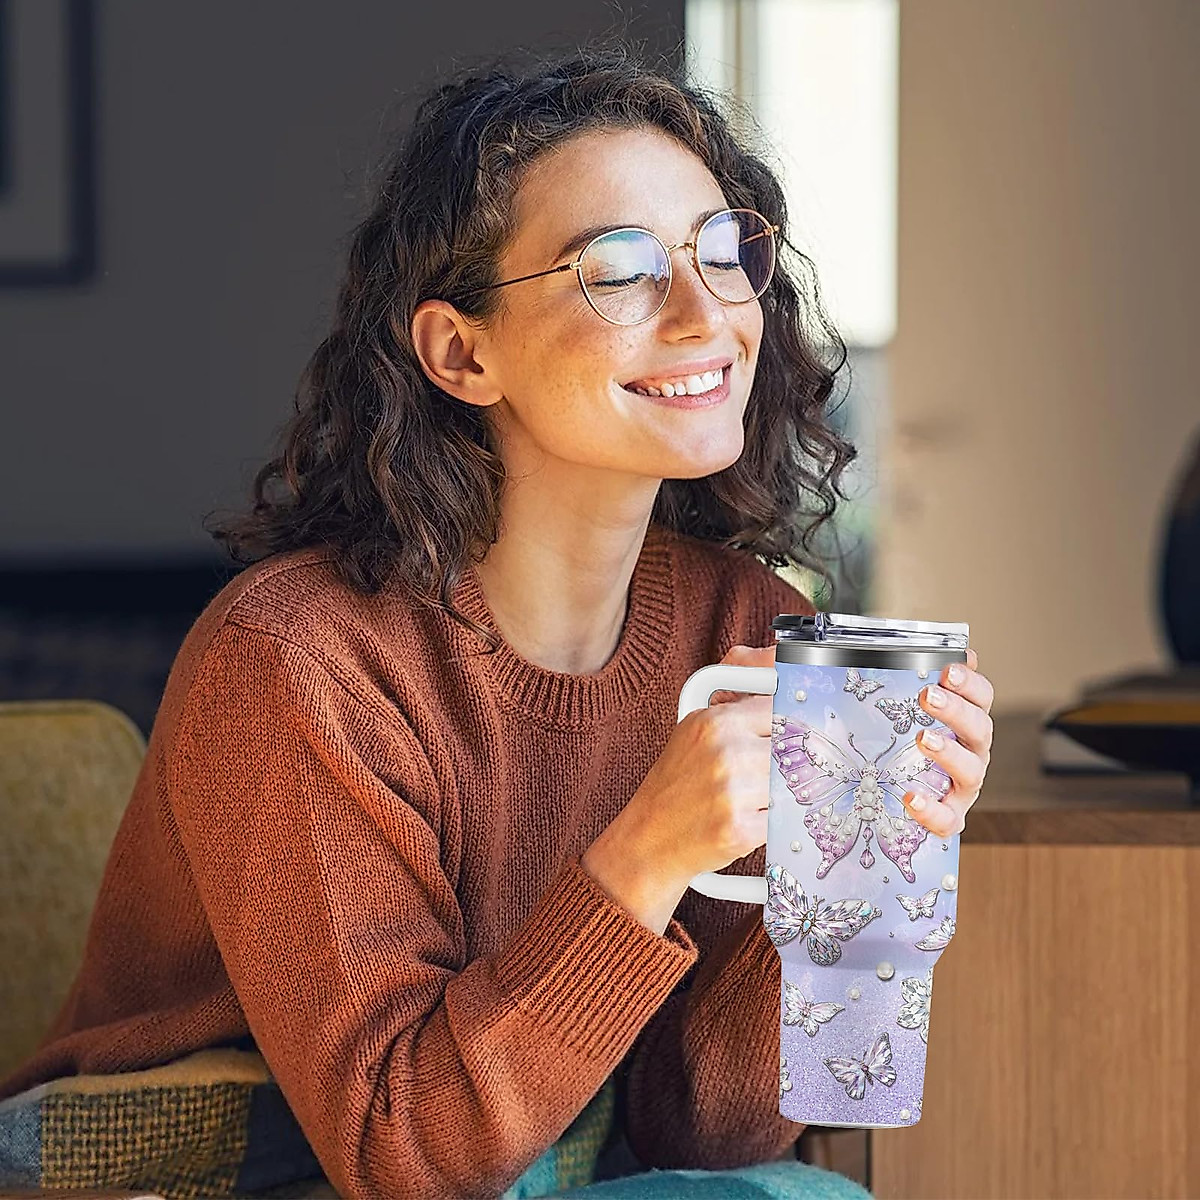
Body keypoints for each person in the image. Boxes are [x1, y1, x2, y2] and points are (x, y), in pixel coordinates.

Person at [0, 45, 995, 1200]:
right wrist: (646, 852)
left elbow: (712, 1132)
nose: (703, 312)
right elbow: (398, 1157)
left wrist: (871, 860)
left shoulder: (747, 627)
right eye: (618, 271)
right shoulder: (298, 661)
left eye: (724, 252)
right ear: (461, 352)